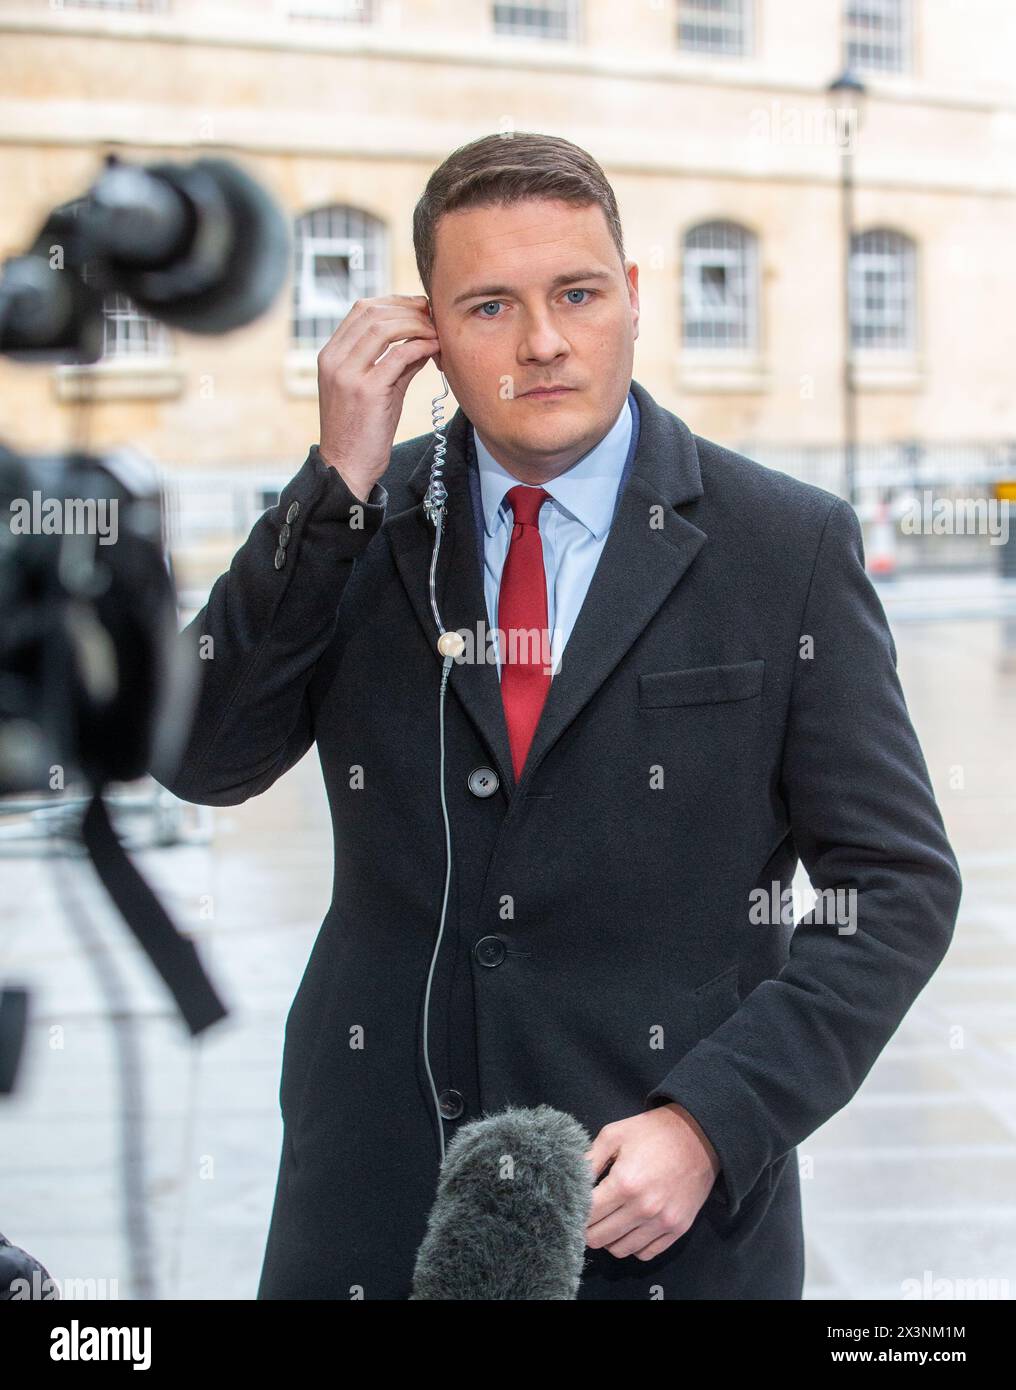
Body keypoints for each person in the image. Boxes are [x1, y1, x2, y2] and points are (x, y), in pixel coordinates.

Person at [156, 132, 962, 1299]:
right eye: (488, 306)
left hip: (656, 1220)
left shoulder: (785, 546)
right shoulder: (357, 522)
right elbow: (202, 757)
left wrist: (711, 1121)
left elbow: (895, 885)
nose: (540, 342)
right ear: (423, 330)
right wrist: (331, 483)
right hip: (375, 1199)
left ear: (631, 301)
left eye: (575, 293)